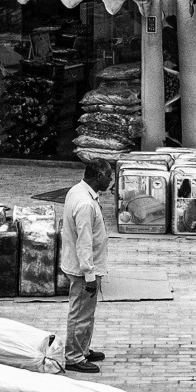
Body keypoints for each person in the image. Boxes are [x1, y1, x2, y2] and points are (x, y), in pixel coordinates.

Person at [59, 156, 113, 374]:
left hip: (85, 267)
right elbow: (84, 242)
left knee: (86, 312)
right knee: (80, 312)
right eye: (109, 175)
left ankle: (83, 347)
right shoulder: (85, 203)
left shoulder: (79, 191)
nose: (111, 180)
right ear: (99, 176)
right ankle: (73, 356)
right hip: (83, 270)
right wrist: (89, 275)